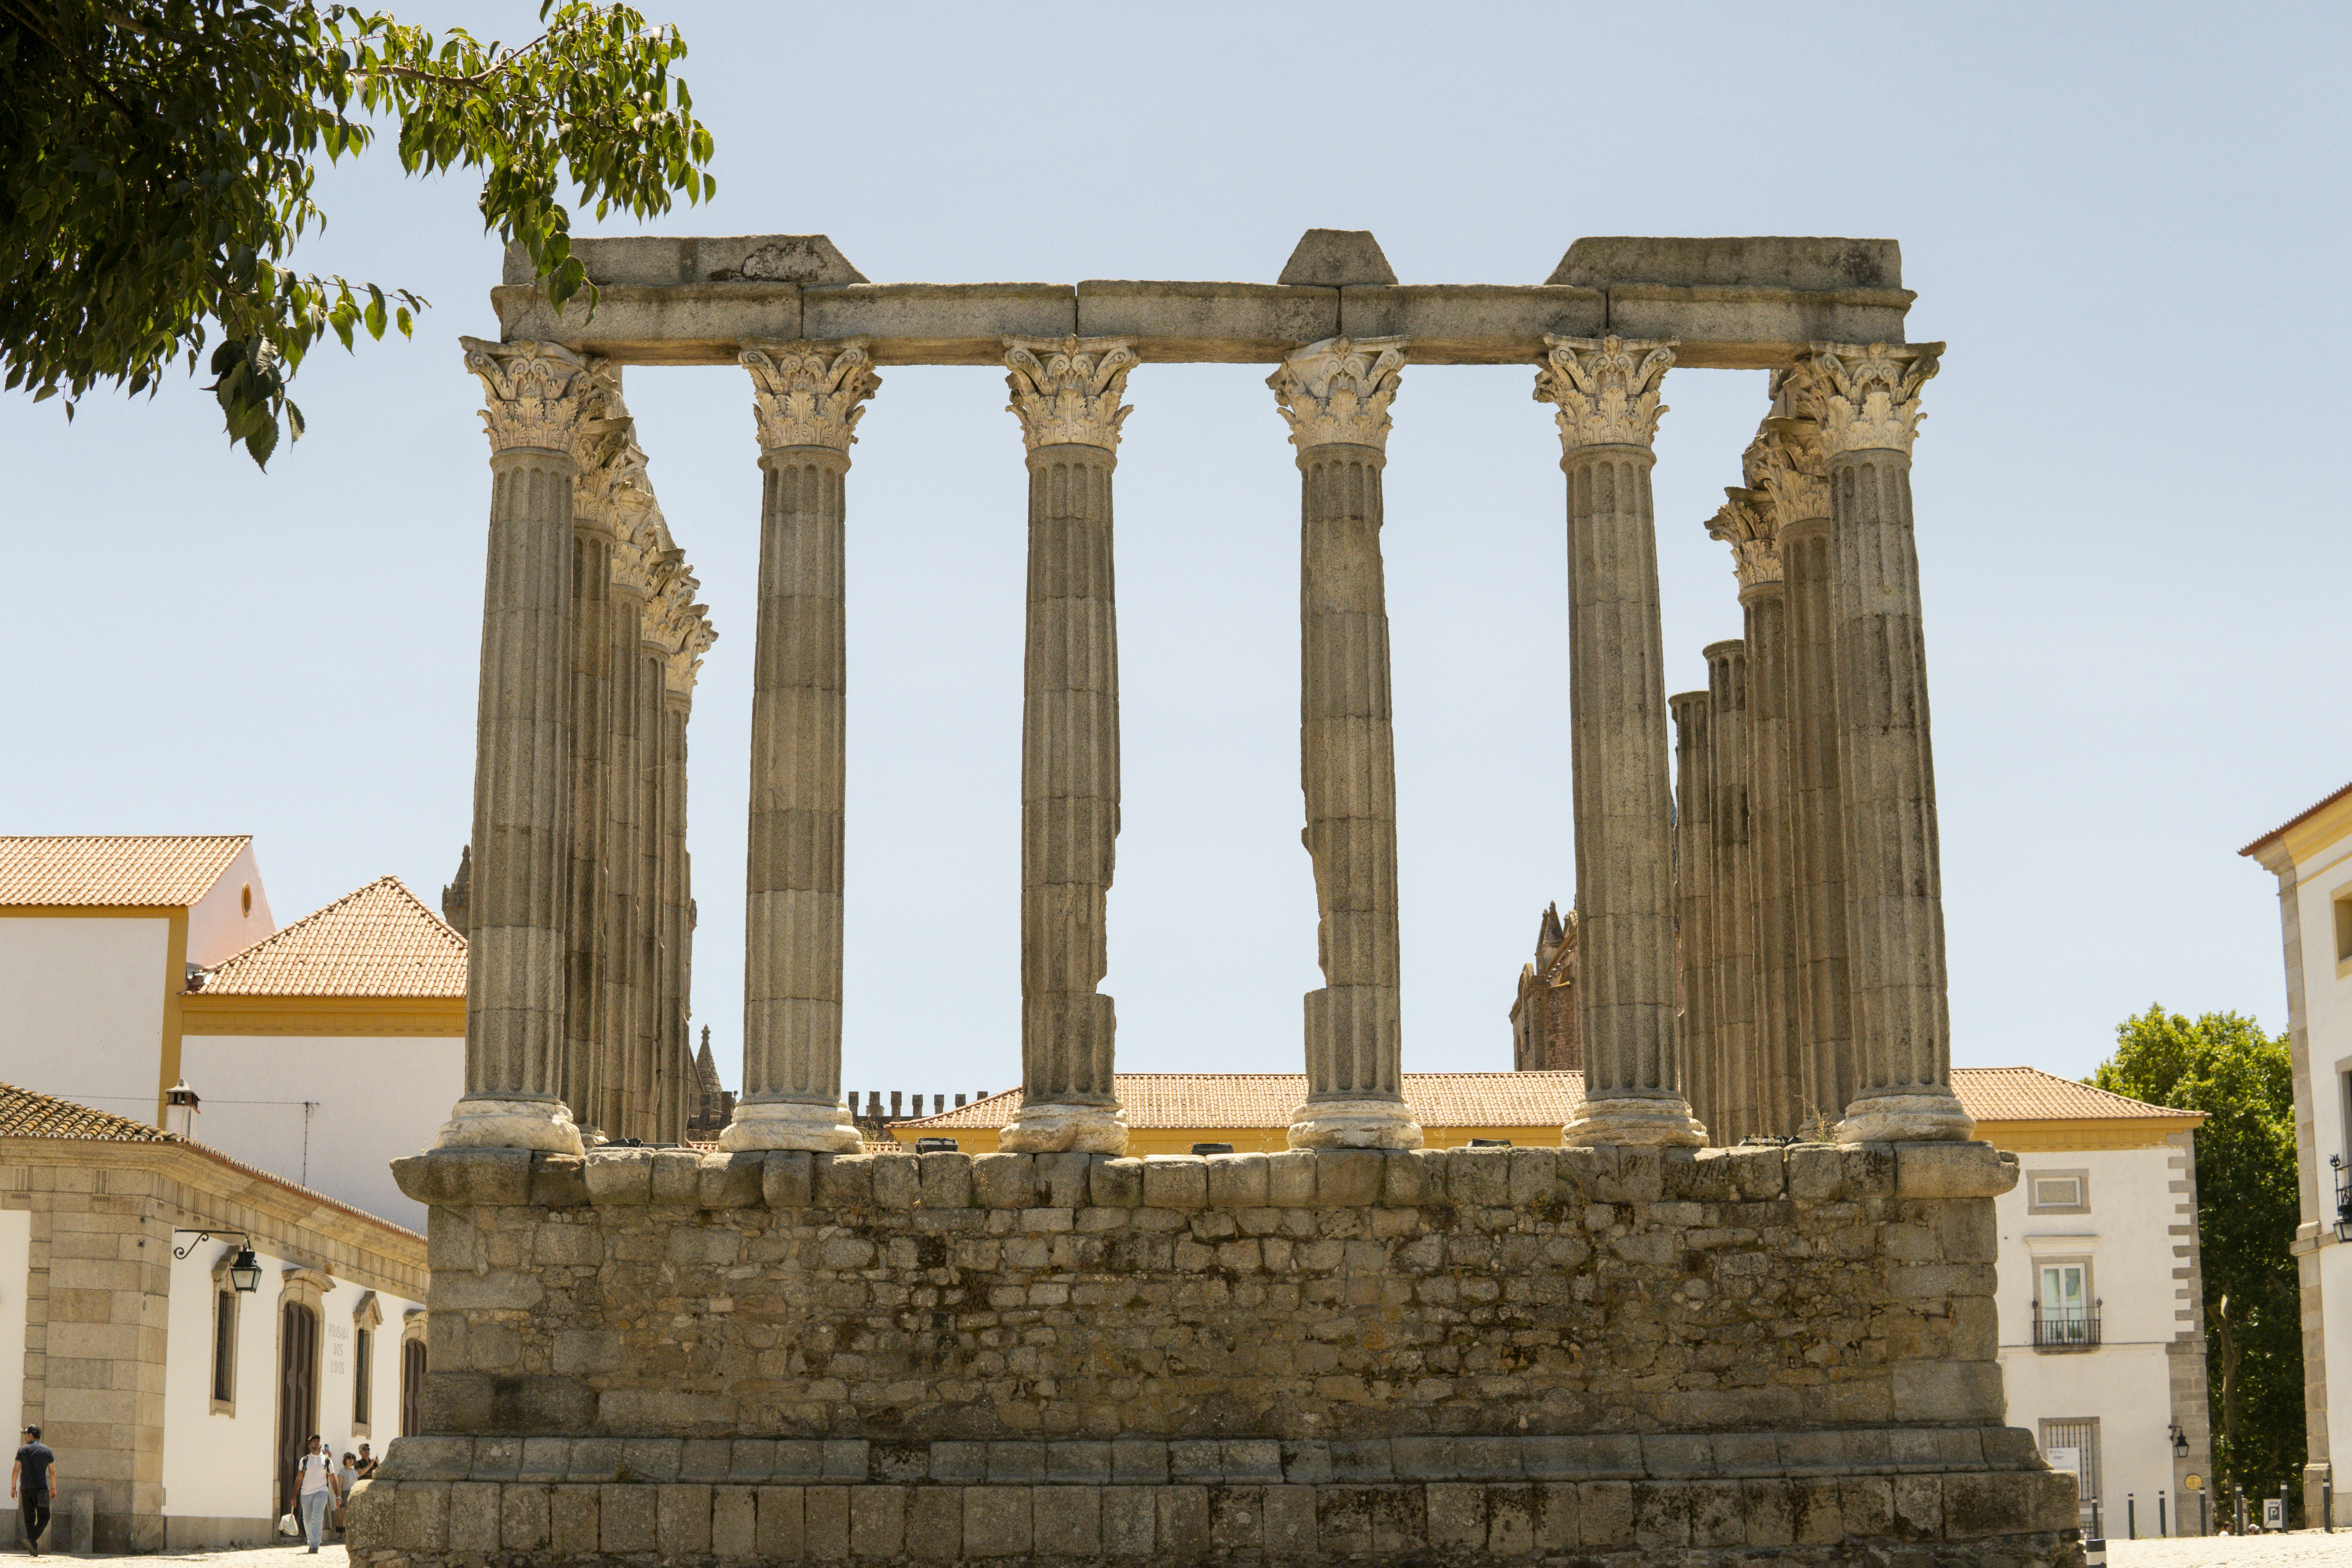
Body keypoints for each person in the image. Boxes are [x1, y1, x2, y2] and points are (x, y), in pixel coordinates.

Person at [10, 1426, 55, 1558]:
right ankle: (32, 1541)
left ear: (31, 1435)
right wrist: (54, 1488)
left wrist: (13, 1487)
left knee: (29, 1519)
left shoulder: (22, 1450)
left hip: (25, 1489)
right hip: (42, 1490)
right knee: (45, 1517)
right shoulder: (47, 1451)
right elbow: (52, 1471)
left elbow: (16, 1469)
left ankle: (33, 1548)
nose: (25, 1437)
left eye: (26, 1435)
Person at [292, 1434, 337, 1553]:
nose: (317, 1443)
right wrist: (294, 1497)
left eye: (318, 1441)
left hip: (321, 1492)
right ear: (310, 1445)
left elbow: (332, 1478)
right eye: (314, 1441)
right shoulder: (305, 1460)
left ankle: (314, 1546)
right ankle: (312, 1541)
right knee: (307, 1520)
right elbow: (299, 1478)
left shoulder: (327, 1460)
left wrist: (338, 1496)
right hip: (306, 1493)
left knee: (317, 1517)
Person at [335, 1453, 358, 1534]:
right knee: (344, 1515)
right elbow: (340, 1486)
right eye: (349, 1458)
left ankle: (350, 1534)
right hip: (345, 1494)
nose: (351, 1459)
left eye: (353, 1458)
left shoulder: (355, 1472)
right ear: (345, 1460)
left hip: (353, 1494)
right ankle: (342, 1535)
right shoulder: (342, 1471)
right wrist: (340, 1497)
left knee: (352, 1514)